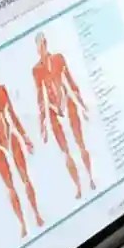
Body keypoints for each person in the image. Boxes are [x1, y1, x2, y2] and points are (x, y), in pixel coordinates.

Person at [0, 63, 44, 238]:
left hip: (11, 137)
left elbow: (12, 115)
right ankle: (22, 223)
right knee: (10, 187)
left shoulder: (0, 90)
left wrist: (25, 137)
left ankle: (36, 213)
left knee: (25, 178)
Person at [33, 32, 95, 198]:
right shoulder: (37, 70)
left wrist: (82, 106)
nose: (41, 48)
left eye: (43, 44)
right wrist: (43, 125)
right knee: (66, 152)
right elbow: (40, 97)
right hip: (54, 112)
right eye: (39, 45)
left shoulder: (58, 58)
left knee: (80, 143)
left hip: (68, 105)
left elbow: (71, 82)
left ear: (46, 43)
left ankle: (90, 177)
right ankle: (78, 186)